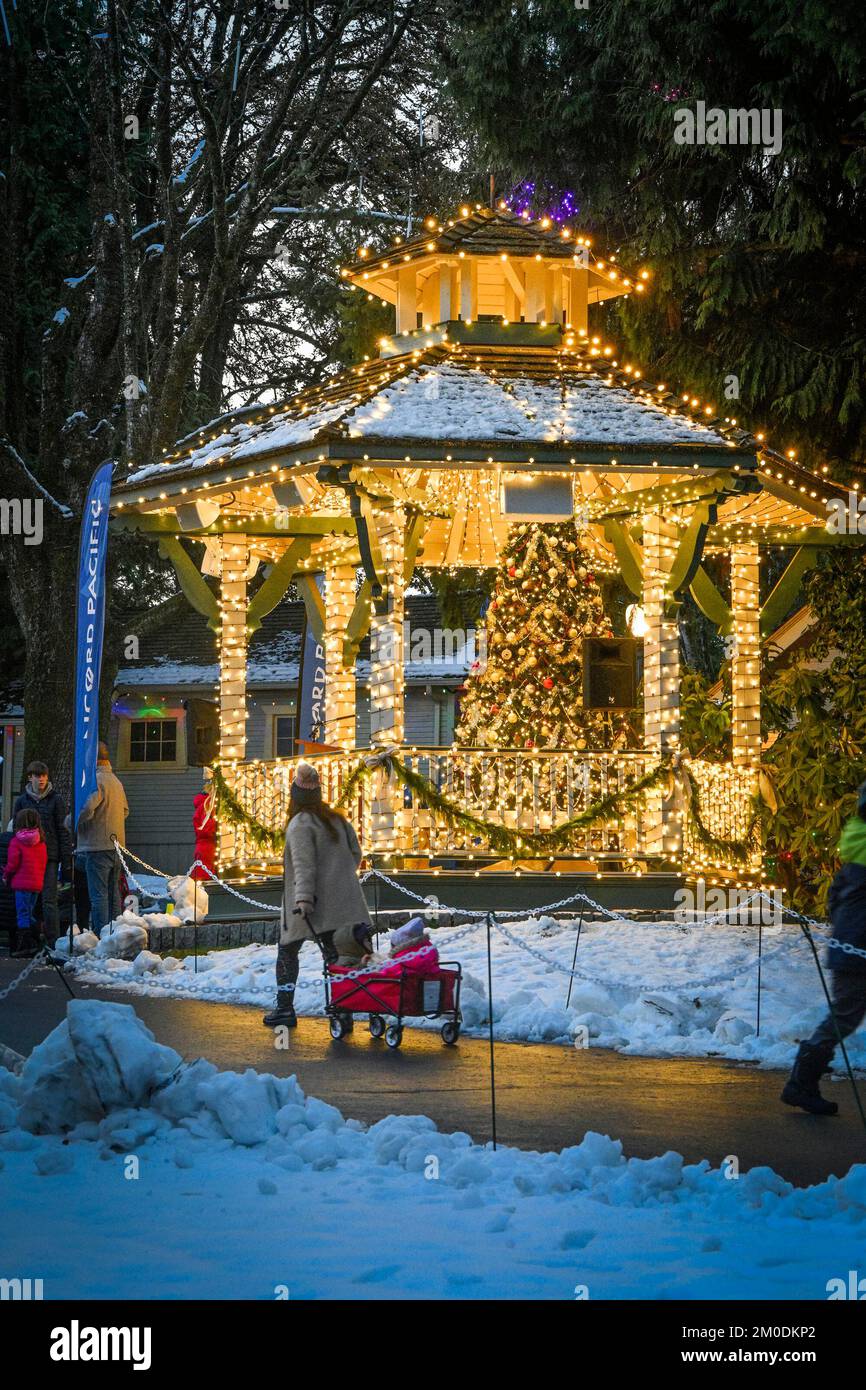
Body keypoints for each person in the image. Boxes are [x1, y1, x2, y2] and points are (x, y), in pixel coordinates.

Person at [263, 761, 372, 1028]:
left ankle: (285, 1009)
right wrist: (339, 879)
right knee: (336, 956)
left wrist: (303, 899)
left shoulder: (299, 824)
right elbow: (355, 855)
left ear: (295, 796)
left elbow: (304, 866)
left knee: (288, 951)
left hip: (311, 904)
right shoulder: (337, 819)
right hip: (342, 902)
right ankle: (343, 1009)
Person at [782, 780, 866, 1116]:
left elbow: (835, 899)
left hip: (849, 947)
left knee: (843, 1016)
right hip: (858, 949)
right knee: (843, 1017)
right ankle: (800, 1083)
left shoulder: (855, 849)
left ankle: (802, 1081)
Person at [12, 761, 72, 947]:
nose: (42, 780)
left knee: (49, 898)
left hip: (49, 856)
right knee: (29, 901)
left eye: (44, 776)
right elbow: (16, 827)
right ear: (30, 777)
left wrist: (65, 858)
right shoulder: (22, 800)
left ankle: (53, 940)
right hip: (27, 857)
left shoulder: (56, 800)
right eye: (38, 776)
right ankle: (31, 939)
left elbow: (62, 830)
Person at [76, 742, 129, 936]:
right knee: (113, 893)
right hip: (116, 845)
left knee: (98, 895)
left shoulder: (96, 781)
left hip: (96, 845)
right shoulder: (116, 781)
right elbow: (125, 810)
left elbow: (88, 808)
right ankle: (115, 933)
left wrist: (73, 822)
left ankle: (101, 935)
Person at [4, 809, 48, 957]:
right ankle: (37, 939)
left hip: (21, 884)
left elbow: (13, 863)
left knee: (22, 914)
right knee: (29, 913)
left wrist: (6, 874)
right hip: (36, 884)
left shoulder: (16, 841)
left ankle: (25, 945)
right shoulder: (40, 842)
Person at [191, 774, 217, 882]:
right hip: (207, 847)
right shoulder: (207, 806)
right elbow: (205, 828)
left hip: (205, 847)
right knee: (203, 879)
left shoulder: (205, 805)